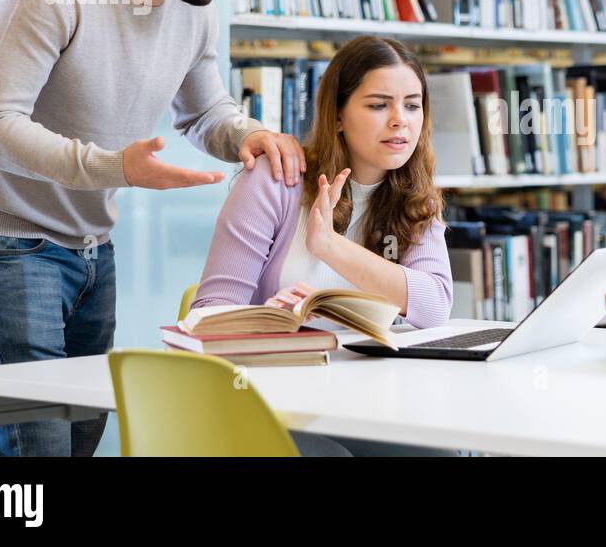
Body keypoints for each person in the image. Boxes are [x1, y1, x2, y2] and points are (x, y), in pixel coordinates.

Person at [0, 0, 305, 456]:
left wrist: (247, 135)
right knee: (36, 444)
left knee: (82, 436)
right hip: (1, 237)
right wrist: (113, 168)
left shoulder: (193, 12)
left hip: (90, 243)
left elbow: (204, 111)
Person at [191, 35, 453, 456]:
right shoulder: (275, 182)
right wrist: (272, 322)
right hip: (268, 399)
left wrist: (331, 247)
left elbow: (435, 306)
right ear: (337, 116)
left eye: (412, 104)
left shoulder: (416, 196)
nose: (400, 120)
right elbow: (209, 315)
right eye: (378, 104)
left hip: (368, 401)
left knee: (434, 453)